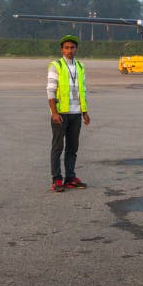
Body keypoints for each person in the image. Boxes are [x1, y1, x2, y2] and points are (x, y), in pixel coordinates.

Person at [47, 35, 91, 192]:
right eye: (66, 47)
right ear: (61, 49)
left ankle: (70, 178)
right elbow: (50, 91)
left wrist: (84, 112)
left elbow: (82, 90)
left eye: (72, 47)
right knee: (58, 147)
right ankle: (57, 179)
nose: (69, 50)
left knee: (72, 148)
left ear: (76, 49)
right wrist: (54, 113)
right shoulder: (56, 65)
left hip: (76, 113)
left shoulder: (80, 66)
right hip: (61, 114)